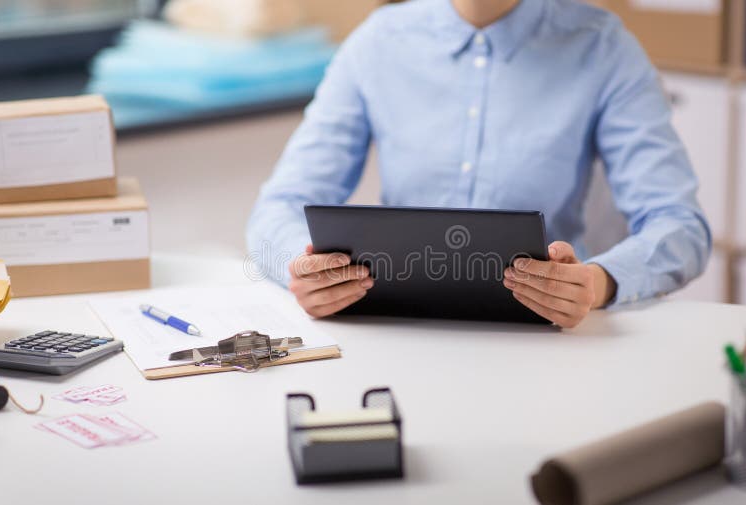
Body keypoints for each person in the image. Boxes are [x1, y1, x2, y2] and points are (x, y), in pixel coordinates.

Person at [246, 0, 711, 328]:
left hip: (545, 345)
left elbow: (679, 225)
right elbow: (277, 208)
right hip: (396, 338)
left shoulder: (603, 47)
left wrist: (598, 281)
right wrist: (302, 269)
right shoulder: (378, 43)